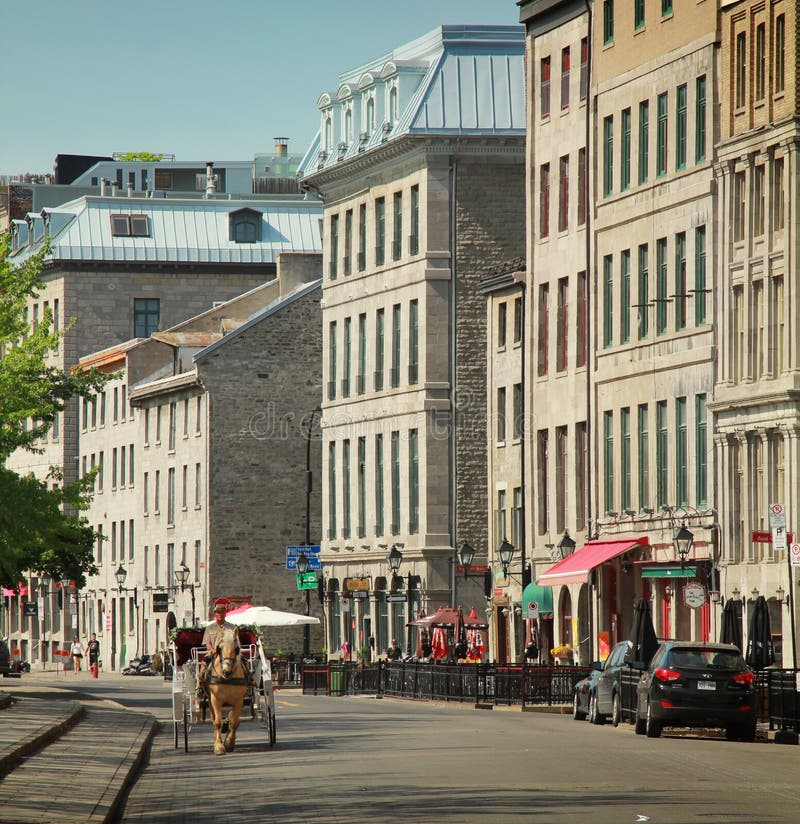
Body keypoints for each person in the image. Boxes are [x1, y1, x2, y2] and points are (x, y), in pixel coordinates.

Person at [197, 601, 235, 699]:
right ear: (215, 614)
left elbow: (236, 642)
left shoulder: (232, 627)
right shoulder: (210, 628)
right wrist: (213, 650)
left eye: (222, 612)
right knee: (204, 666)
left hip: (229, 654)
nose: (220, 614)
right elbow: (207, 643)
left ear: (225, 614)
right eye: (218, 613)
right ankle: (200, 687)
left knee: (244, 662)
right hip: (214, 653)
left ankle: (249, 684)